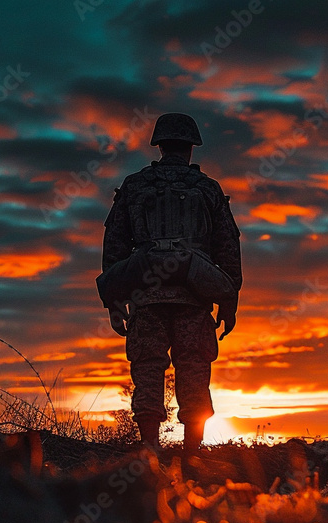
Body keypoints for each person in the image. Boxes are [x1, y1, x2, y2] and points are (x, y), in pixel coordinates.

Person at [101, 112, 241, 451]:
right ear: (192, 147)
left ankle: (150, 452)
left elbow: (115, 244)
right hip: (195, 297)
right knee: (194, 370)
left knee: (147, 369)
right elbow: (227, 245)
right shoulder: (207, 188)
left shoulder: (135, 186)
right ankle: (192, 455)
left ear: (160, 145)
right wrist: (229, 301)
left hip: (146, 297)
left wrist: (115, 302)